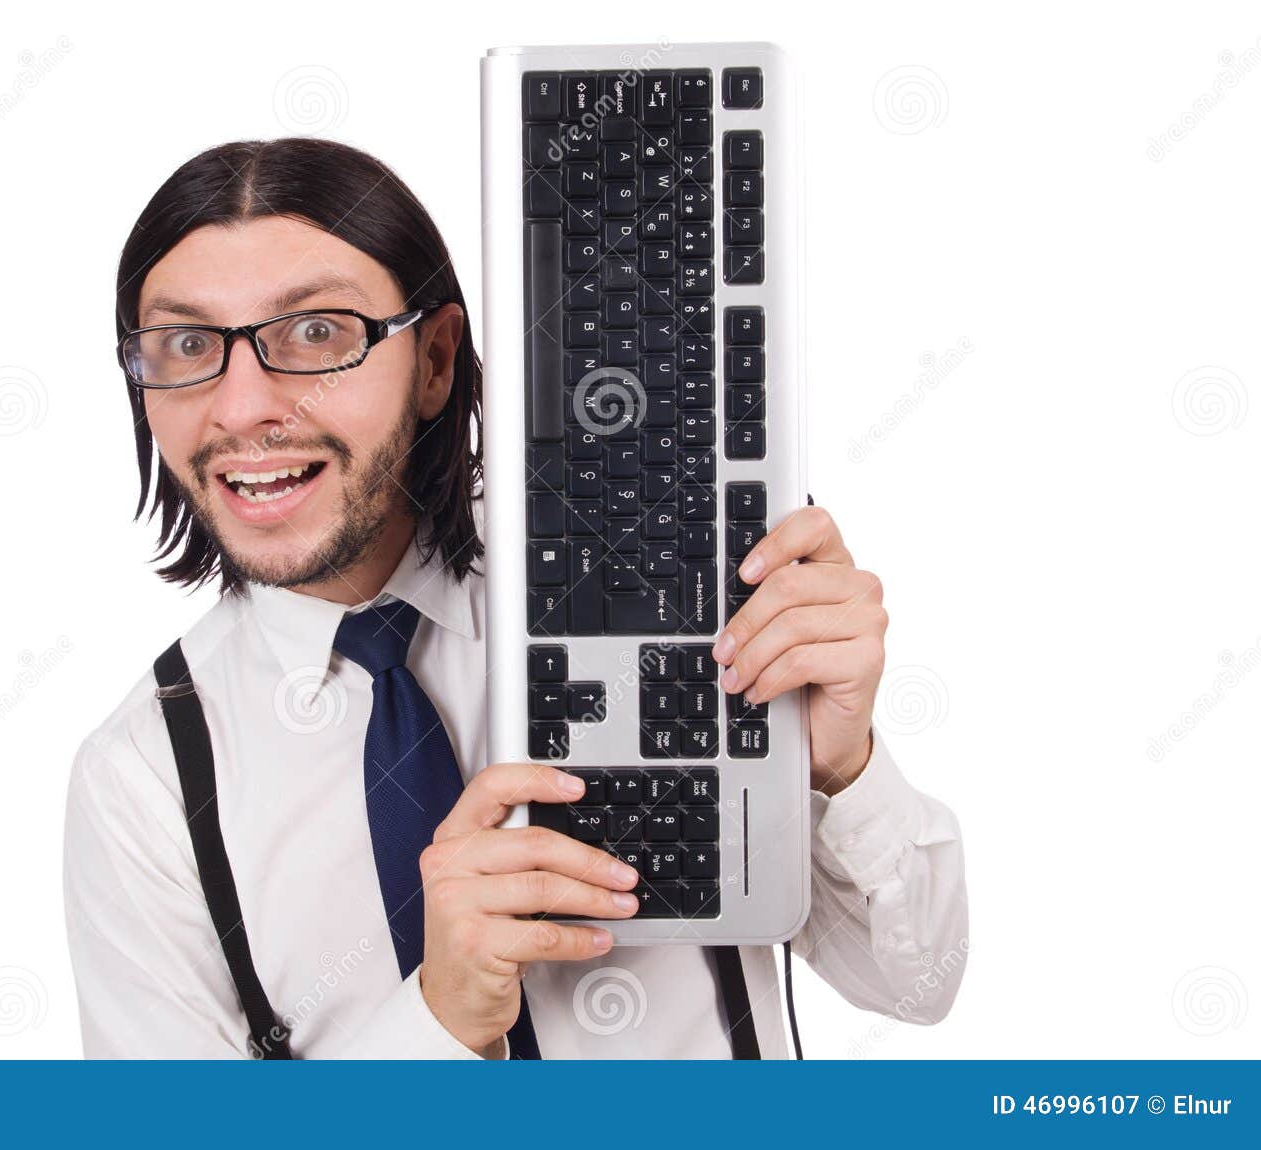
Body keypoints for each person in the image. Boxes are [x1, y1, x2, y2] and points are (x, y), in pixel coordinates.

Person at [62, 137, 969, 1058]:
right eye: (185, 344)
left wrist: (835, 766)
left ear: (436, 363)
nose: (242, 407)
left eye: (317, 332)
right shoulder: (144, 781)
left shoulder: (656, 575)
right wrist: (438, 1021)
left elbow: (914, 983)